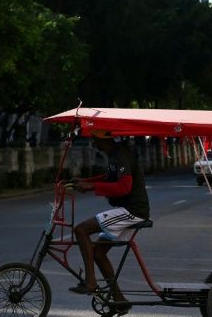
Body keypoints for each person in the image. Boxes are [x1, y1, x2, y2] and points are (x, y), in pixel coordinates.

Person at [70, 131, 150, 315]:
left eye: (95, 139)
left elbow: (124, 187)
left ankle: (91, 281)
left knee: (81, 230)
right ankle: (119, 300)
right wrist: (85, 182)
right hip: (127, 210)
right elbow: (109, 178)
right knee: (98, 253)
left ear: (102, 139)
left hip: (132, 211)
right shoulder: (115, 154)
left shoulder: (121, 154)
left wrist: (92, 186)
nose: (93, 142)